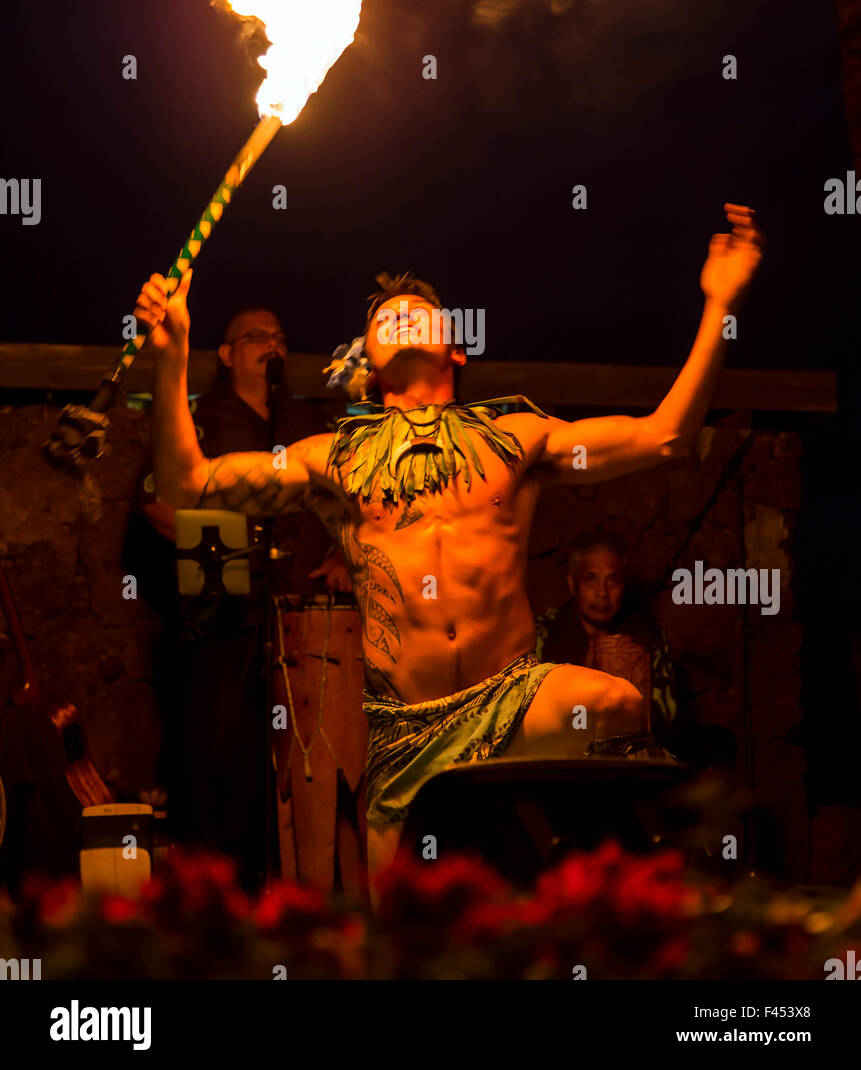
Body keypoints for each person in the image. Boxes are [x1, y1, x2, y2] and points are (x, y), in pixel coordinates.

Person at [133, 203, 763, 887]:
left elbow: (666, 435)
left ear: (457, 348)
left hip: (511, 696)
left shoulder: (518, 436)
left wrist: (717, 305)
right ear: (367, 364)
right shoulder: (332, 457)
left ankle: (632, 898)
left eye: (418, 308)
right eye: (384, 314)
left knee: (612, 704)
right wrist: (170, 359)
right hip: (403, 731)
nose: (401, 313)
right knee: (403, 938)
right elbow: (188, 484)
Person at [125, 304, 343, 889]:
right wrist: (228, 537)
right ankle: (217, 900)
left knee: (304, 764)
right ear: (225, 354)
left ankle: (297, 893)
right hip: (220, 624)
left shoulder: (312, 426)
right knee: (220, 758)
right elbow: (154, 498)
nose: (270, 345)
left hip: (303, 627)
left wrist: (344, 555)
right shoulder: (202, 426)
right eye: (254, 337)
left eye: (279, 336)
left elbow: (356, 503)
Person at [538, 529, 683, 754]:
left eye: (613, 580)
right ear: (572, 584)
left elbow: (670, 724)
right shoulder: (546, 634)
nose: (602, 592)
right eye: (591, 579)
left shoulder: (646, 638)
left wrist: (635, 678)